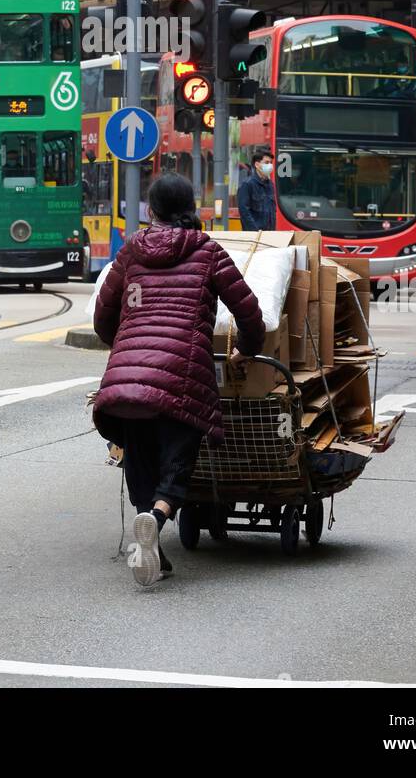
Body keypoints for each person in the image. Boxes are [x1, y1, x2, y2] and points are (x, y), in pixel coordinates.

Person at [92, 173, 265, 588]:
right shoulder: (207, 250)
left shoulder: (131, 251)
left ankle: (147, 535)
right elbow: (249, 310)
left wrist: (126, 342)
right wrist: (248, 348)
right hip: (182, 375)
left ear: (150, 212)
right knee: (178, 458)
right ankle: (155, 517)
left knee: (138, 455)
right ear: (193, 208)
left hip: (126, 378)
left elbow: (103, 316)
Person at [236, 147, 277, 232]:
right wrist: (255, 231)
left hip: (270, 235)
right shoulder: (247, 184)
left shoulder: (270, 185)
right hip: (254, 236)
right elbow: (244, 212)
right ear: (257, 165)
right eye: (266, 162)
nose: (270, 166)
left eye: (271, 163)